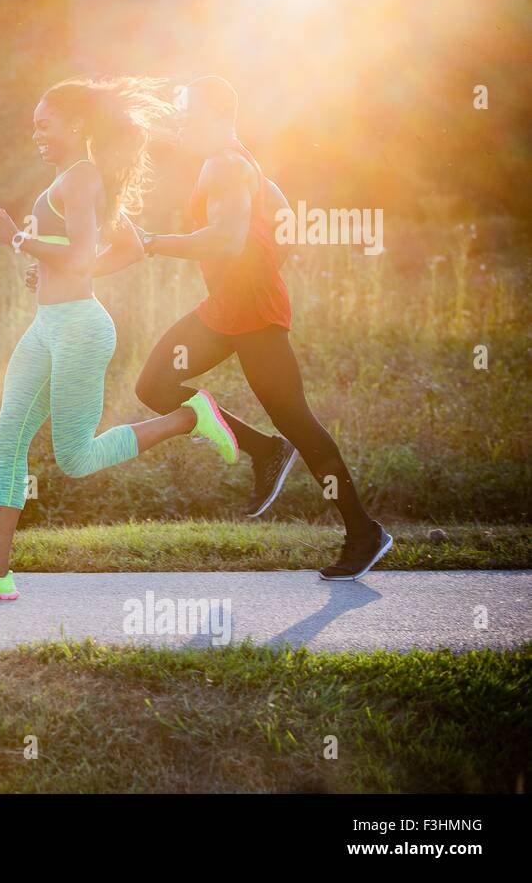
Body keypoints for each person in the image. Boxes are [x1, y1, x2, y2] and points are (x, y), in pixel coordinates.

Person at [0, 77, 238, 601]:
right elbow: (116, 248)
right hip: (47, 324)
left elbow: (76, 255)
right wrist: (49, 269)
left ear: (74, 124)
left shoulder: (80, 179)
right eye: (33, 127)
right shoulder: (80, 181)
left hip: (79, 329)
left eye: (44, 124)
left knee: (74, 459)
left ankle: (192, 416)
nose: (37, 135)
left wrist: (19, 240)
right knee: (9, 439)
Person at [126, 75, 392, 581]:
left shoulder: (225, 164)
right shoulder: (241, 163)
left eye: (186, 113)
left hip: (252, 313)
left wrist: (155, 242)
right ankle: (265, 449)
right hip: (227, 307)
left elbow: (227, 239)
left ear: (216, 115)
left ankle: (363, 532)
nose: (179, 123)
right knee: (155, 385)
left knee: (297, 420)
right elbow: (283, 220)